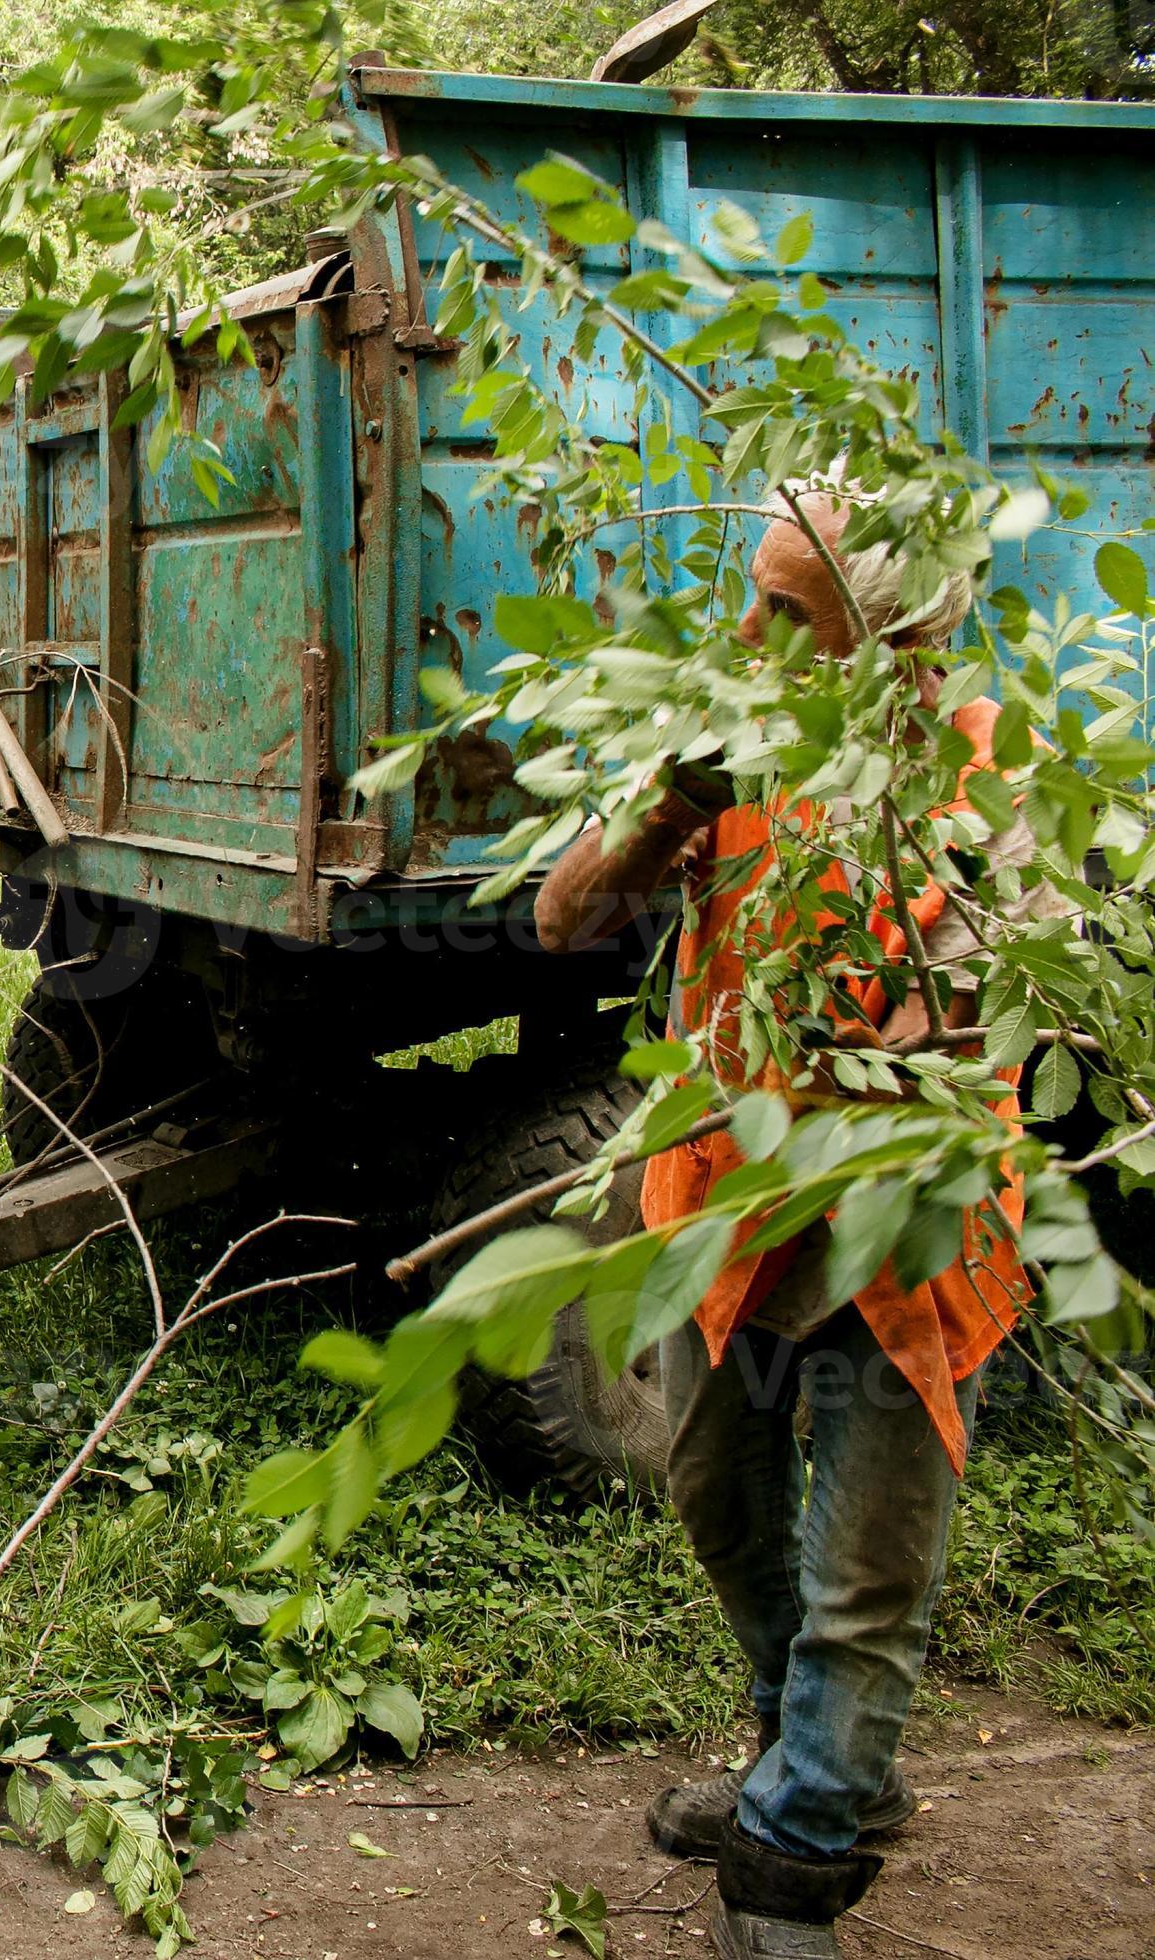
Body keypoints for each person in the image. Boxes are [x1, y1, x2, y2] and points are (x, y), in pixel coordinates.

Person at [534, 487, 1057, 1959]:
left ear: (887, 643)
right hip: (725, 1220)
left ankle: (797, 1852)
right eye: (750, 595)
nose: (746, 631)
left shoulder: (982, 790)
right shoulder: (725, 743)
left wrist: (892, 1015)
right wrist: (665, 813)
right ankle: (800, 1747)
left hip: (908, 1239)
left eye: (785, 612)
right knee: (717, 1499)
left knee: (866, 1570)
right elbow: (557, 922)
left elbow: (938, 1028)